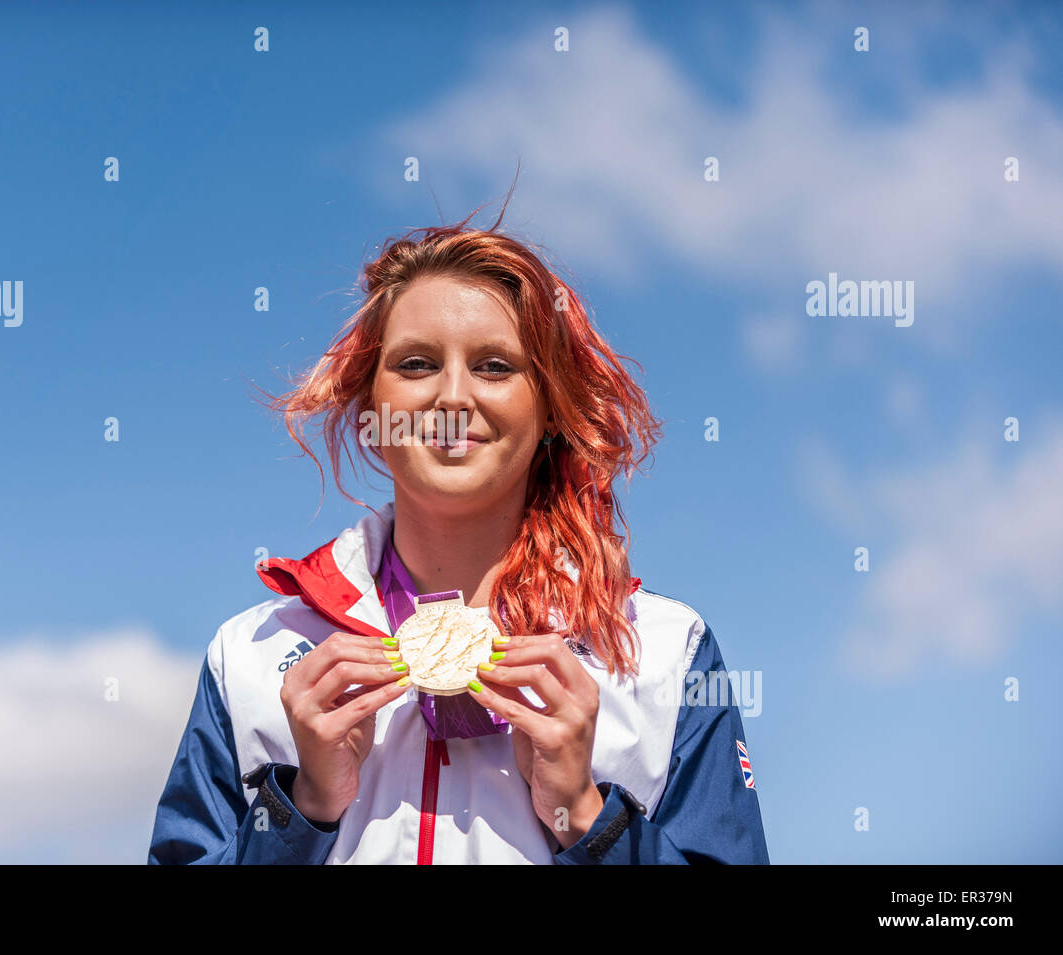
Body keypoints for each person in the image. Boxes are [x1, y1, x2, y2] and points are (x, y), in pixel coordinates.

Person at [148, 204, 770, 864]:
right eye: (415, 363)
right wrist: (300, 809)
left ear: (551, 409)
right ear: (369, 405)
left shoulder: (664, 652)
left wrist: (586, 818)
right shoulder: (252, 653)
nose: (451, 397)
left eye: (496, 366)